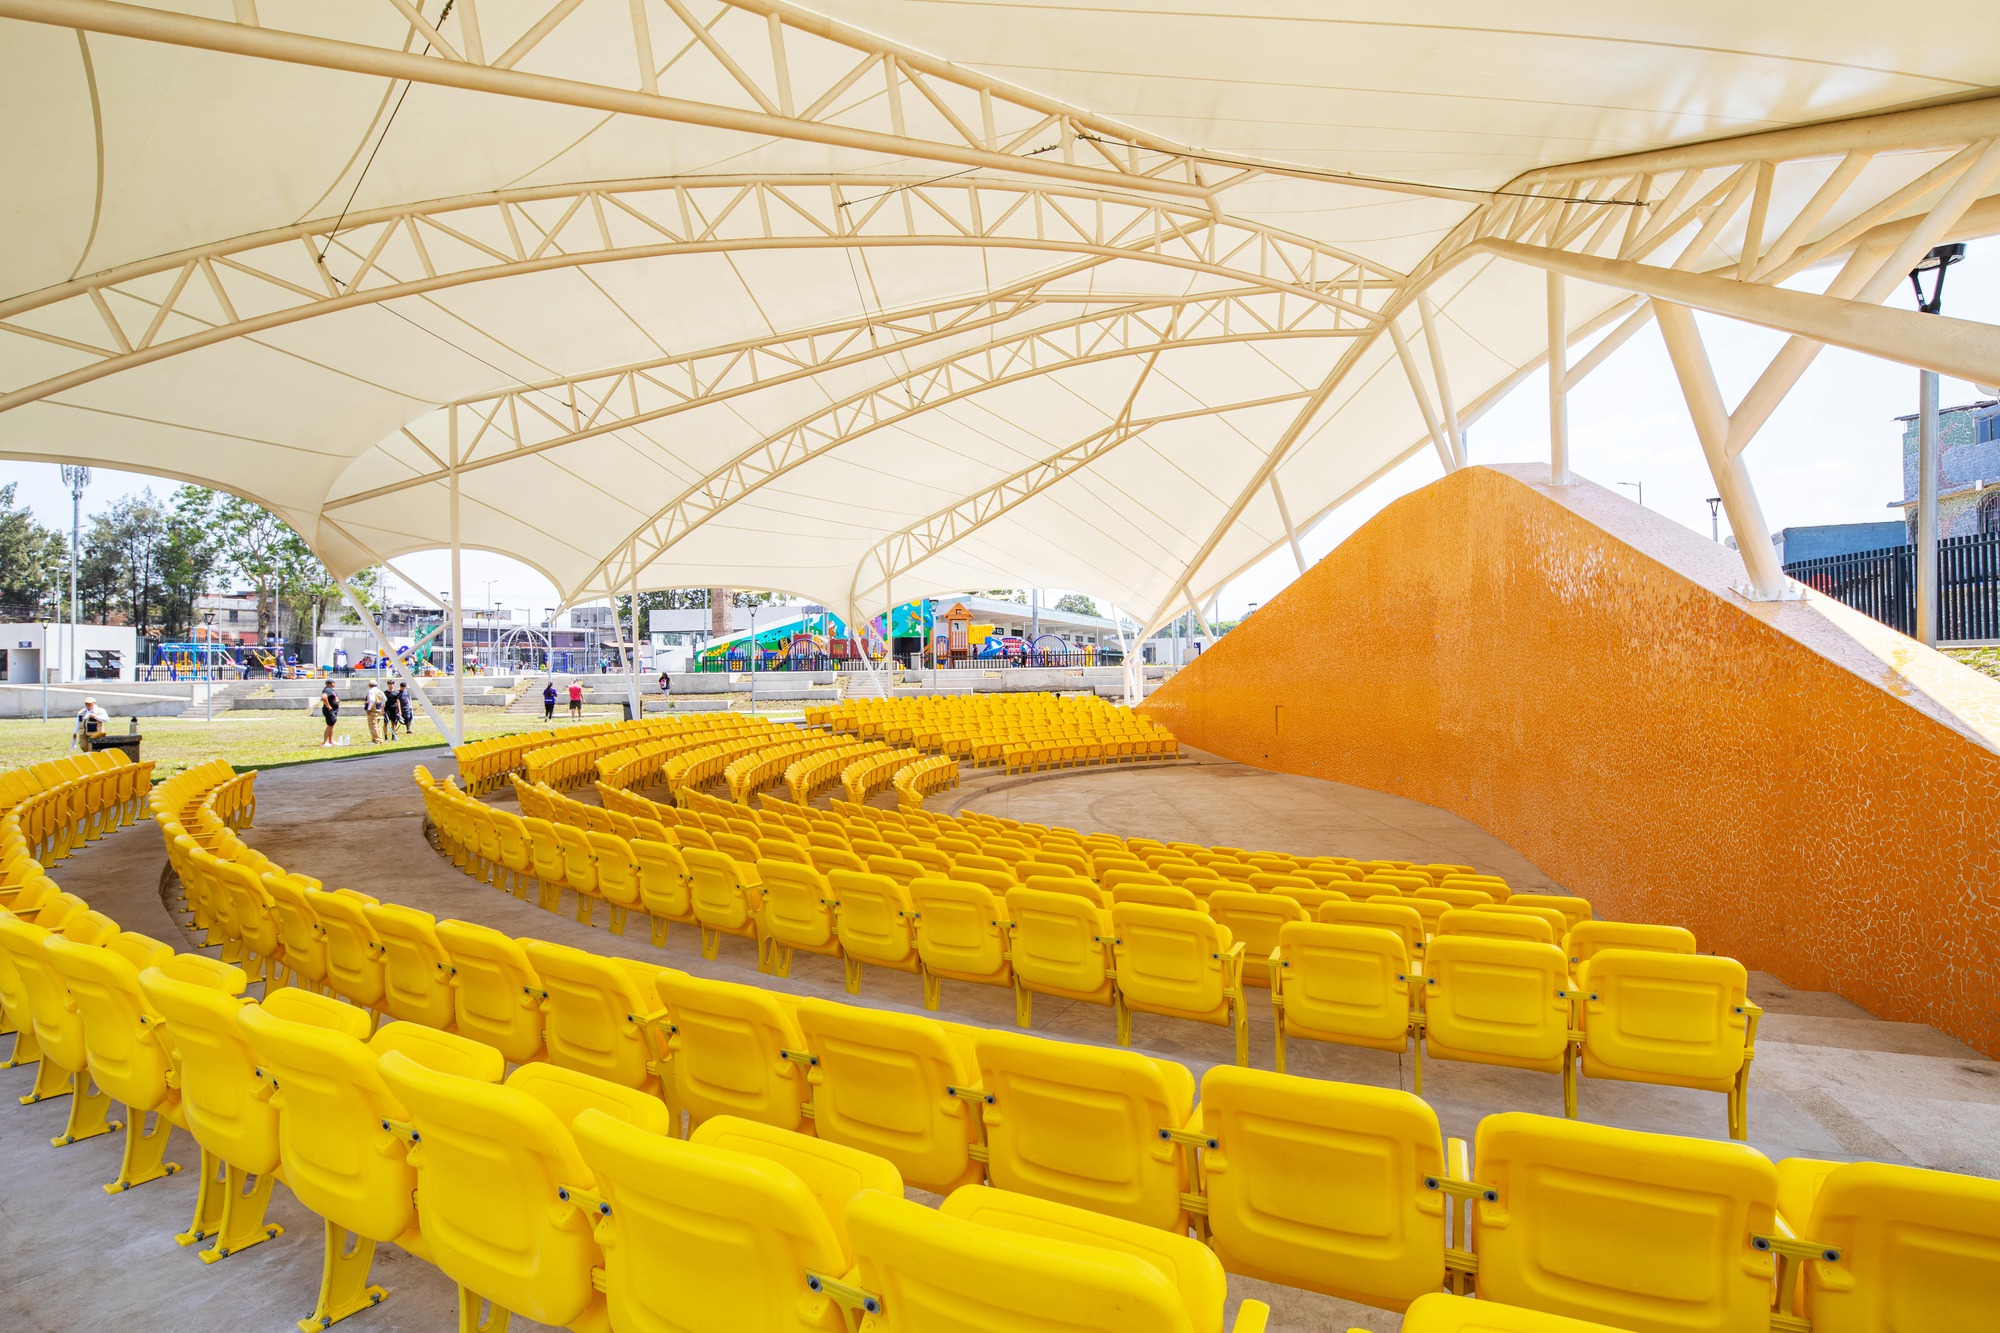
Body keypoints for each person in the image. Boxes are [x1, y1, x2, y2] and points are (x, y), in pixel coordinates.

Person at [364, 679, 385, 743]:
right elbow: (385, 699)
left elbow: (372, 700)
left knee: (373, 726)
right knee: (377, 725)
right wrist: (381, 705)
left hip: (372, 711)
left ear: (369, 685)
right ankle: (379, 738)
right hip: (378, 710)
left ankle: (376, 740)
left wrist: (369, 709)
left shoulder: (371, 691)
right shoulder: (379, 691)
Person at [319, 682, 340, 747]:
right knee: (330, 725)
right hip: (329, 710)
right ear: (330, 683)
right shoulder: (327, 689)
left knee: (331, 725)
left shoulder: (330, 690)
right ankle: (325, 742)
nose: (335, 684)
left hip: (333, 710)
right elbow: (324, 697)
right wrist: (328, 706)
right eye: (334, 683)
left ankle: (331, 740)